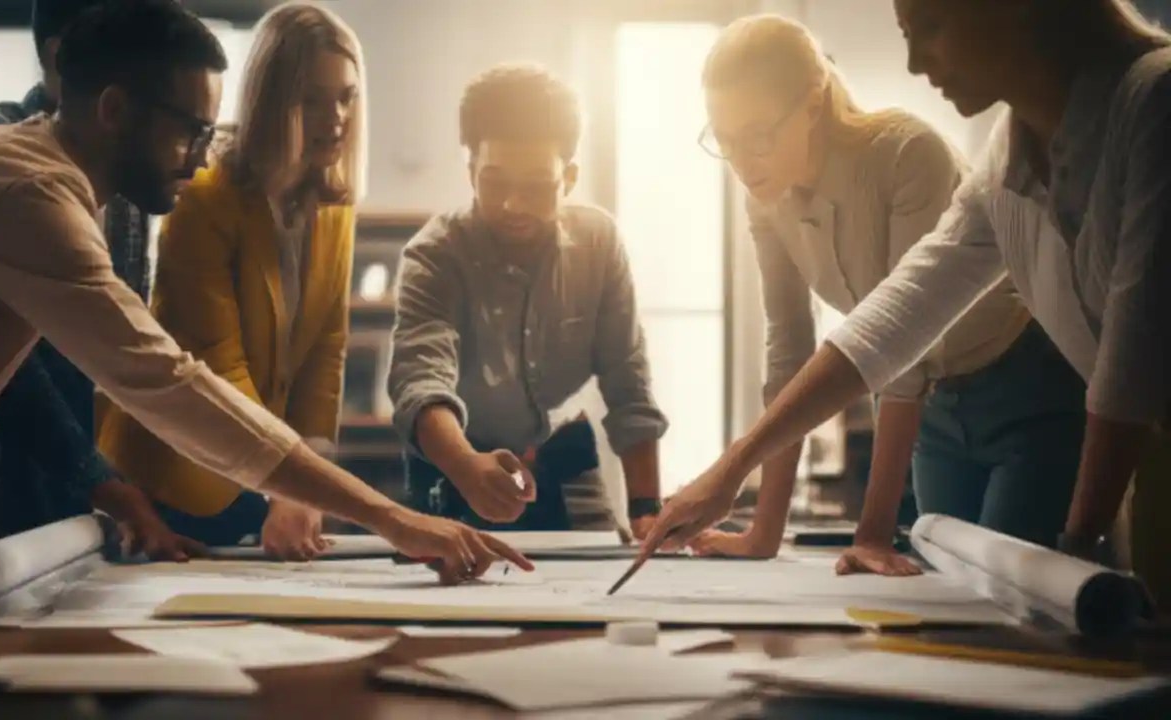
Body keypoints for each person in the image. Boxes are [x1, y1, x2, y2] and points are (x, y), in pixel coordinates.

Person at [0, 0, 530, 585]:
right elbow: (171, 384)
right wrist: (396, 519)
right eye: (192, 132)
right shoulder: (33, 200)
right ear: (113, 110)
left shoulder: (11, 161)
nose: (201, 160)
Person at [640, 0, 1171, 611]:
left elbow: (1129, 370)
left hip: (1063, 411)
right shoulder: (1007, 149)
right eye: (905, 35)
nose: (916, 62)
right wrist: (735, 469)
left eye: (932, 27)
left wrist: (1078, 548)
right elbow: (894, 319)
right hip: (1104, 452)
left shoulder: (1155, 100)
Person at [686, 15, 1086, 574]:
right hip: (934, 413)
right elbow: (790, 355)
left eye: (757, 136)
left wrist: (872, 533)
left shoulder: (906, 153)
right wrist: (764, 531)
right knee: (945, 593)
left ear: (812, 103)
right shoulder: (764, 198)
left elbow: (901, 345)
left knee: (1014, 593)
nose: (741, 162)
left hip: (1025, 387)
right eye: (723, 140)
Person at [0, 0, 195, 561]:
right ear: (61, 57)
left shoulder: (120, 172)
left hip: (62, 501)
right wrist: (101, 480)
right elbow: (17, 374)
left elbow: (115, 344)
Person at [99, 1, 364, 560]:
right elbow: (218, 363)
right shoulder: (206, 196)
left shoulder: (335, 203)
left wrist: (307, 481)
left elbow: (326, 353)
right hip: (176, 482)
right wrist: (287, 488)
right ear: (271, 100)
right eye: (312, 99)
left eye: (346, 96)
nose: (336, 117)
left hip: (262, 476)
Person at [388, 65, 668, 537]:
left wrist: (646, 509)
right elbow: (420, 382)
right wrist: (466, 467)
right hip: (454, 462)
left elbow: (628, 384)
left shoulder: (598, 244)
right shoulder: (434, 255)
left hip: (563, 458)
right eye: (494, 183)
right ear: (471, 169)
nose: (514, 205)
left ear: (569, 177)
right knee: (452, 600)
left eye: (537, 186)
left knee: (596, 583)